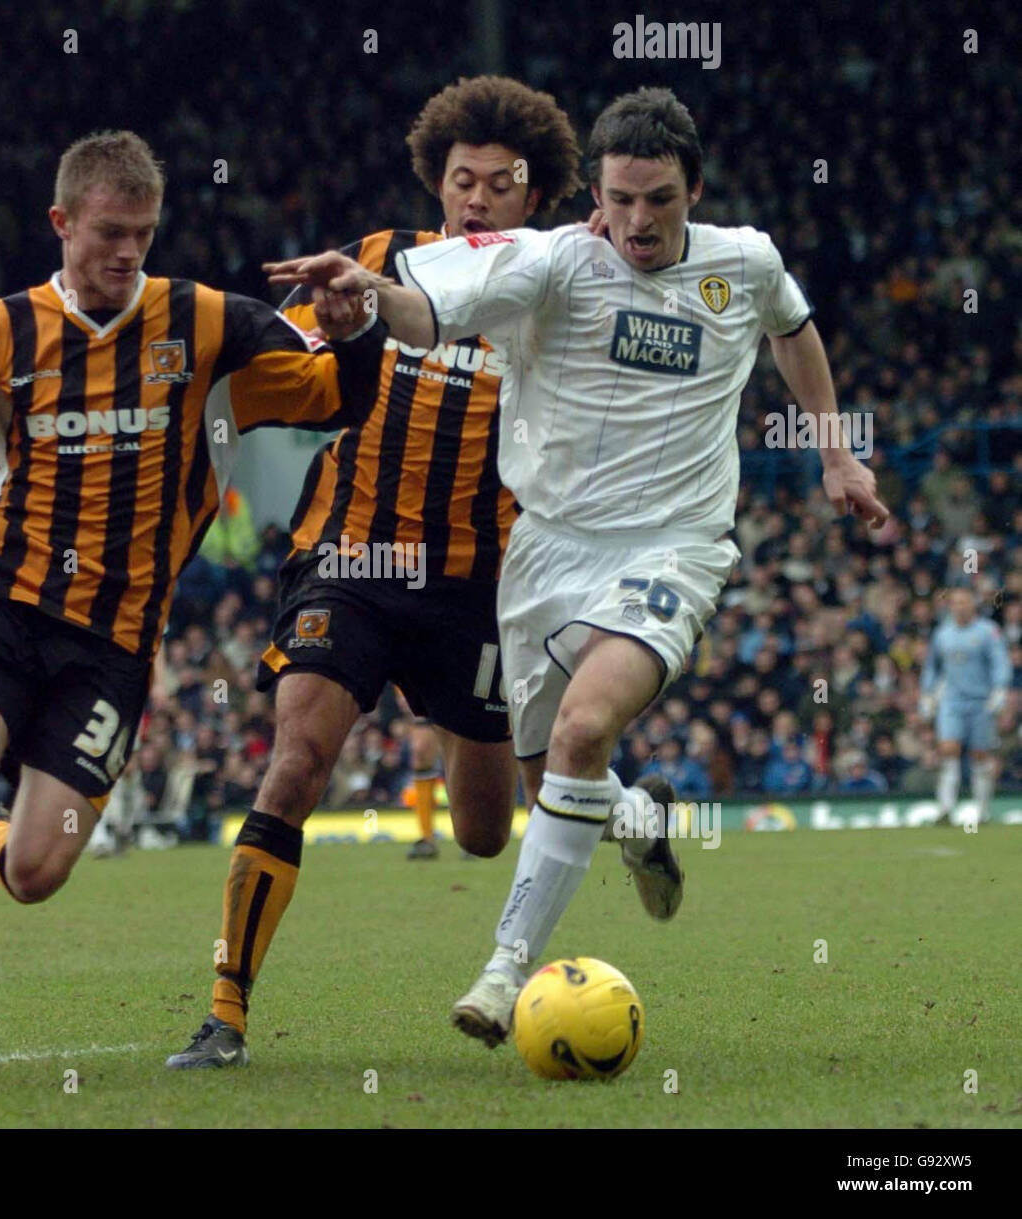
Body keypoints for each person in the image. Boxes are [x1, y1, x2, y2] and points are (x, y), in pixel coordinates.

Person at [268, 86, 889, 1047]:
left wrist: (835, 449)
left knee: (583, 732)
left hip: (673, 548)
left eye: (662, 201)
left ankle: (505, 969)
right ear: (595, 195)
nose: (639, 223)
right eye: (623, 200)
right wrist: (364, 298)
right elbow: (424, 313)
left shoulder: (744, 261)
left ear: (695, 193)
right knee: (541, 777)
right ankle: (641, 821)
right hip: (544, 553)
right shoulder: (551, 262)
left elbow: (791, 326)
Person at [0, 129, 386, 1083]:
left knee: (37, 872)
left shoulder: (208, 323)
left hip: (117, 636)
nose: (127, 253)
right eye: (110, 233)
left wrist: (359, 325)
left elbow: (337, 398)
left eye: (144, 234)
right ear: (62, 223)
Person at [166, 76, 587, 1069]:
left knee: (483, 832)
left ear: (534, 201)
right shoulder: (365, 265)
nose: (475, 200)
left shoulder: (556, 298)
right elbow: (283, 378)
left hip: (477, 586)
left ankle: (437, 706)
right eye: (460, 180)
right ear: (435, 183)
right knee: (297, 756)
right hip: (348, 559)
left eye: (498, 185)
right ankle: (223, 1013)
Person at [920, 586, 1012, 825]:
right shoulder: (943, 634)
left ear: (973, 604)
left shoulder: (987, 632)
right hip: (952, 701)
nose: (959, 607)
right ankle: (945, 809)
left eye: (963, 602)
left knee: (979, 756)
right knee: (948, 750)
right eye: (954, 603)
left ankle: (982, 812)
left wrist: (1000, 689)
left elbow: (999, 662)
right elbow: (933, 666)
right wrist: (928, 693)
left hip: (981, 702)